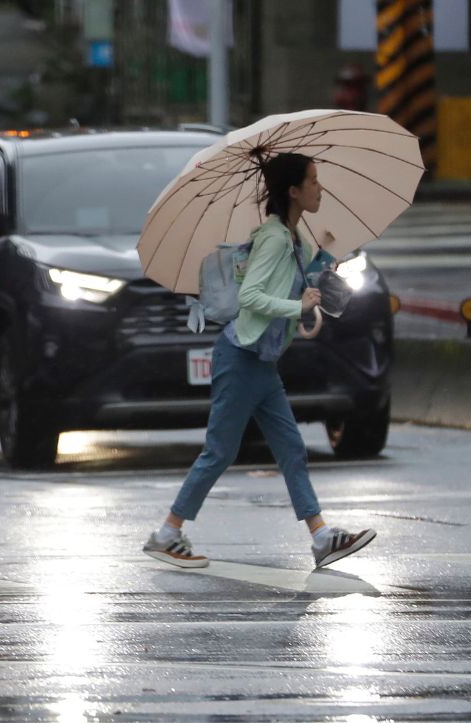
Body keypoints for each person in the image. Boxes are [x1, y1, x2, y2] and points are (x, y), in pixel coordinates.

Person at [142, 151, 376, 570]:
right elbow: (251, 298)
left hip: (261, 362)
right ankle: (167, 533)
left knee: (291, 449)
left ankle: (322, 538)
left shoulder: (292, 238)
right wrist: (295, 306)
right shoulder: (272, 238)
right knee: (220, 452)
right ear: (292, 191)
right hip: (241, 357)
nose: (319, 189)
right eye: (314, 181)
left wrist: (323, 259)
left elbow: (302, 279)